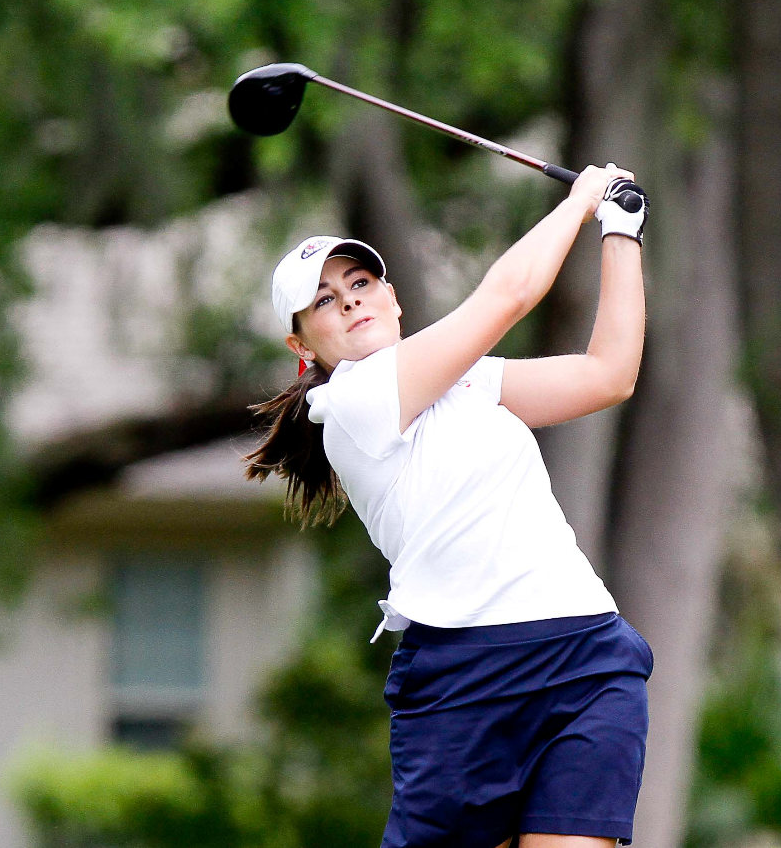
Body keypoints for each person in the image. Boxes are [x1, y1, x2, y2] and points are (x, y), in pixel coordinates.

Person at [245, 164, 653, 848]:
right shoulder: (350, 404)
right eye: (323, 301)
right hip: (466, 677)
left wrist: (621, 231)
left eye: (360, 283)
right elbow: (508, 295)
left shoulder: (471, 381)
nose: (349, 302)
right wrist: (582, 201)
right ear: (301, 346)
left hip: (586, 653)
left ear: (392, 298)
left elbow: (607, 375)